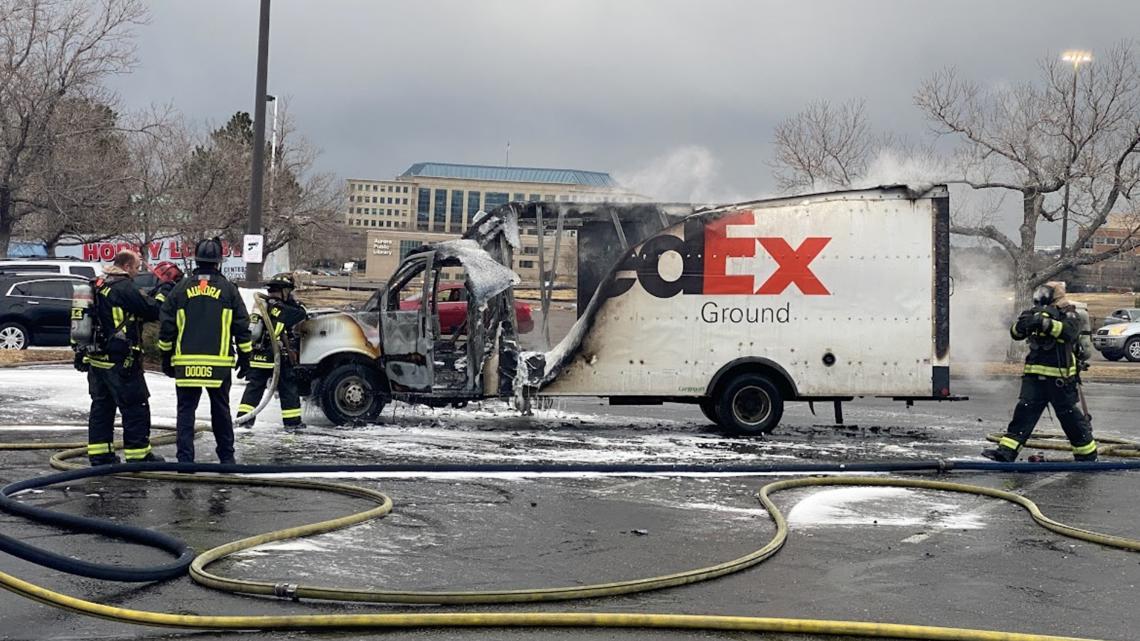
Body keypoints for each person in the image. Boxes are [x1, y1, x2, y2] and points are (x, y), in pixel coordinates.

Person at [157, 238, 252, 464]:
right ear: (218, 262)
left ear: (196, 260)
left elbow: (167, 325)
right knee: (220, 411)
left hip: (186, 363)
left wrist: (165, 356)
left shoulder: (181, 288)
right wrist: (245, 355)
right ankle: (227, 459)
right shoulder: (229, 290)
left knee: (186, 413)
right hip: (218, 365)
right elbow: (241, 324)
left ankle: (185, 460)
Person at [983, 281, 1097, 462]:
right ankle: (1006, 452)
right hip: (1034, 375)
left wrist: (1045, 323)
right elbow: (1015, 333)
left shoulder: (1069, 312)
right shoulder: (1033, 312)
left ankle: (1087, 455)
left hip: (1060, 376)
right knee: (1024, 412)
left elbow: (1070, 333)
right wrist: (1026, 323)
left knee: (1069, 416)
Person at [76, 250, 164, 465]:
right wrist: (164, 292)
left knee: (102, 407)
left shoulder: (97, 285)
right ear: (126, 266)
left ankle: (100, 455)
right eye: (135, 267)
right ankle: (139, 455)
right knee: (135, 405)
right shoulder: (124, 287)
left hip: (97, 359)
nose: (137, 272)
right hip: (121, 360)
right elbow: (153, 310)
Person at [237, 273, 309, 431]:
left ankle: (244, 420)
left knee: (254, 388)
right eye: (289, 292)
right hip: (277, 356)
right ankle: (293, 423)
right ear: (284, 291)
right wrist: (297, 304)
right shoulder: (281, 308)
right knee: (288, 388)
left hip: (258, 354)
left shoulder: (263, 305)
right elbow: (300, 314)